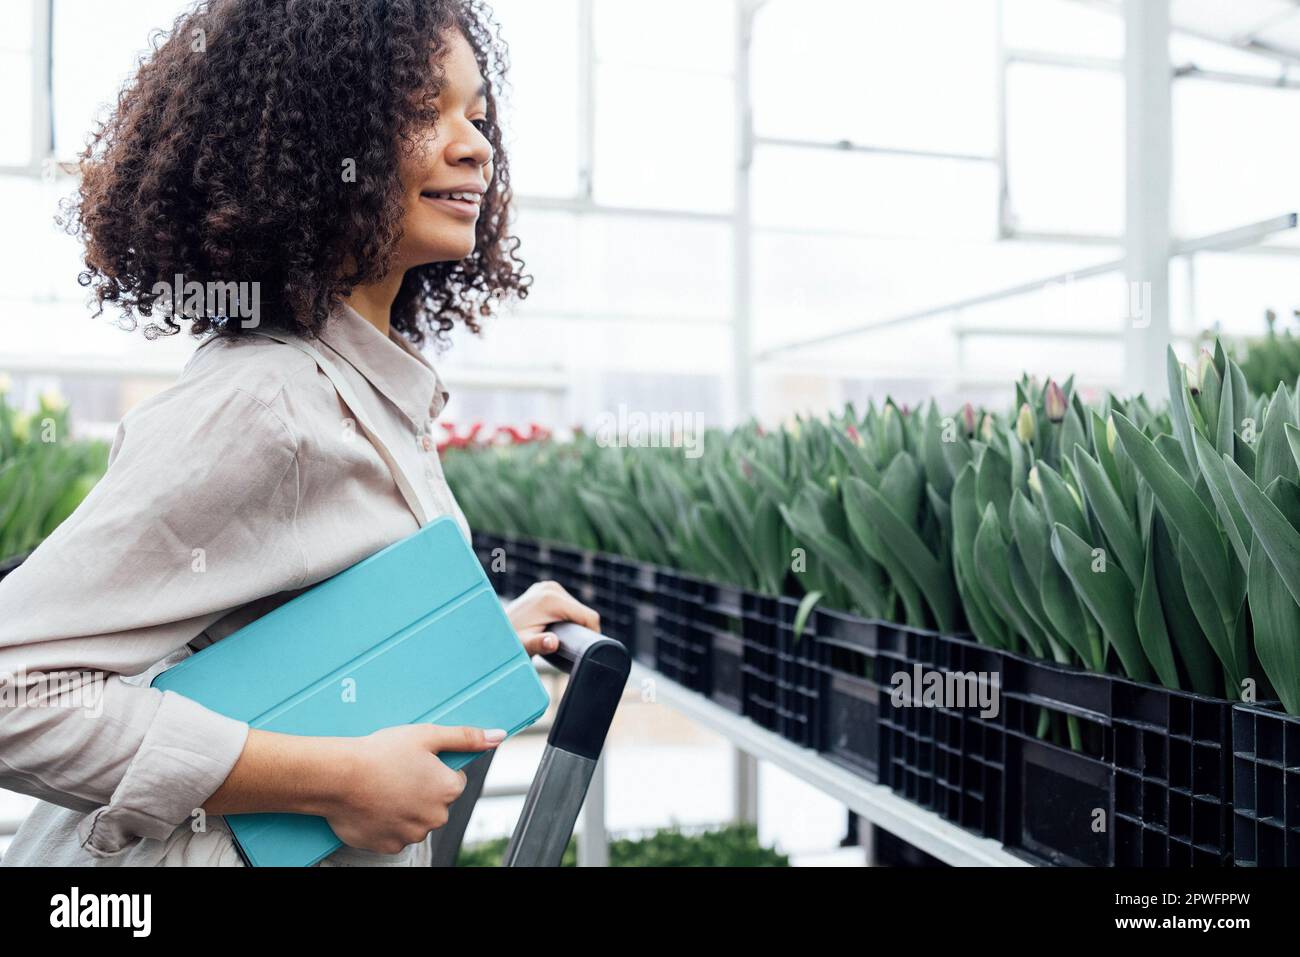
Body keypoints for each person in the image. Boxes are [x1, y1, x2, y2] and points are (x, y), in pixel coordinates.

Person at [0, 0, 598, 866]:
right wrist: (332, 781)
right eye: (422, 111)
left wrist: (477, 637)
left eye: (478, 114)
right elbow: (17, 686)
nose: (474, 145)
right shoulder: (267, 401)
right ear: (319, 145)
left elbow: (290, 635)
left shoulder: (365, 387)